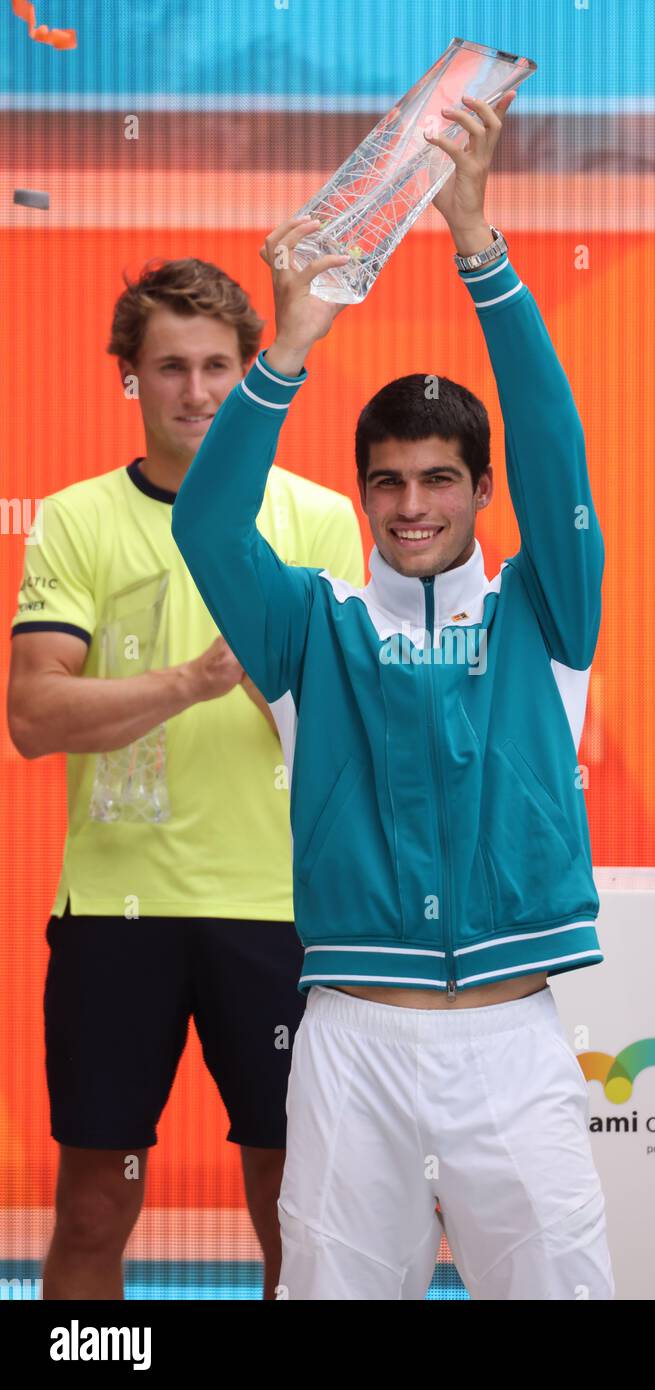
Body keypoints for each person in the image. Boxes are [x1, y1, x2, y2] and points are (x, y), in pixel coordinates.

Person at [171, 92, 614, 1300]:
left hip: (515, 1044)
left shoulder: (546, 614)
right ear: (362, 495)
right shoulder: (315, 625)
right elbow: (209, 524)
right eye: (387, 483)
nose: (411, 504)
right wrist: (287, 348)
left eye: (438, 479)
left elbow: (558, 451)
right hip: (352, 1041)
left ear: (480, 488)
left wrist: (481, 251)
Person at [6, 257, 364, 1300]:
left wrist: (269, 677)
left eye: (218, 366)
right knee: (93, 1209)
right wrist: (197, 676)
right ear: (130, 376)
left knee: (294, 1208)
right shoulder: (77, 519)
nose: (197, 392)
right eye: (170, 368)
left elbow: (344, 726)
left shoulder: (319, 519)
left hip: (281, 914)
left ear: (254, 370)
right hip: (118, 917)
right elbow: (34, 714)